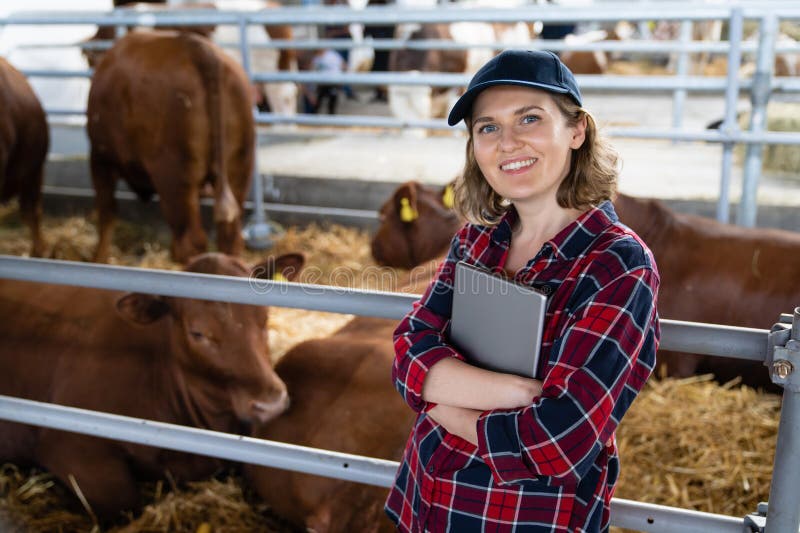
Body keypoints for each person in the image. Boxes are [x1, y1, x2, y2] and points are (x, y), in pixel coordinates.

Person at [385, 49, 660, 532]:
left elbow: (558, 439)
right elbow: (408, 353)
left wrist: (447, 406)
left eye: (528, 119)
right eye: (487, 127)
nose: (507, 142)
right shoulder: (480, 237)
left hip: (518, 517)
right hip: (429, 500)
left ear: (577, 131)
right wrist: (517, 392)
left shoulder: (617, 264)